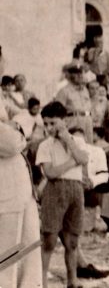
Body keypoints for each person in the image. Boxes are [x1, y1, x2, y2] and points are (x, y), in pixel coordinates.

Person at [37, 101, 90, 288]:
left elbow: (83, 158)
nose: (49, 128)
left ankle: (72, 280)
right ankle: (41, 282)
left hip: (75, 191)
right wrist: (71, 163)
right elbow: (50, 173)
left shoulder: (78, 141)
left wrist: (67, 139)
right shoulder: (45, 145)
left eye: (53, 123)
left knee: (72, 240)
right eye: (46, 124)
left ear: (64, 121)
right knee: (50, 239)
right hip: (55, 191)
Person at [0, 117, 42, 288]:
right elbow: (11, 143)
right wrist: (16, 126)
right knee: (7, 255)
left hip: (21, 190)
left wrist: (12, 126)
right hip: (6, 192)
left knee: (29, 250)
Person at [71, 127, 109, 234]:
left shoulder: (97, 151)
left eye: (80, 139)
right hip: (72, 188)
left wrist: (91, 181)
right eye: (74, 140)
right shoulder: (66, 153)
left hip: (91, 188)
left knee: (106, 192)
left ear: (85, 138)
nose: (78, 142)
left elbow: (104, 174)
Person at [56, 62, 94, 143]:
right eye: (76, 73)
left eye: (81, 72)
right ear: (69, 75)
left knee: (89, 147)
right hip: (73, 122)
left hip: (87, 121)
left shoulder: (85, 90)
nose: (79, 75)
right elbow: (57, 113)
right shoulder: (64, 91)